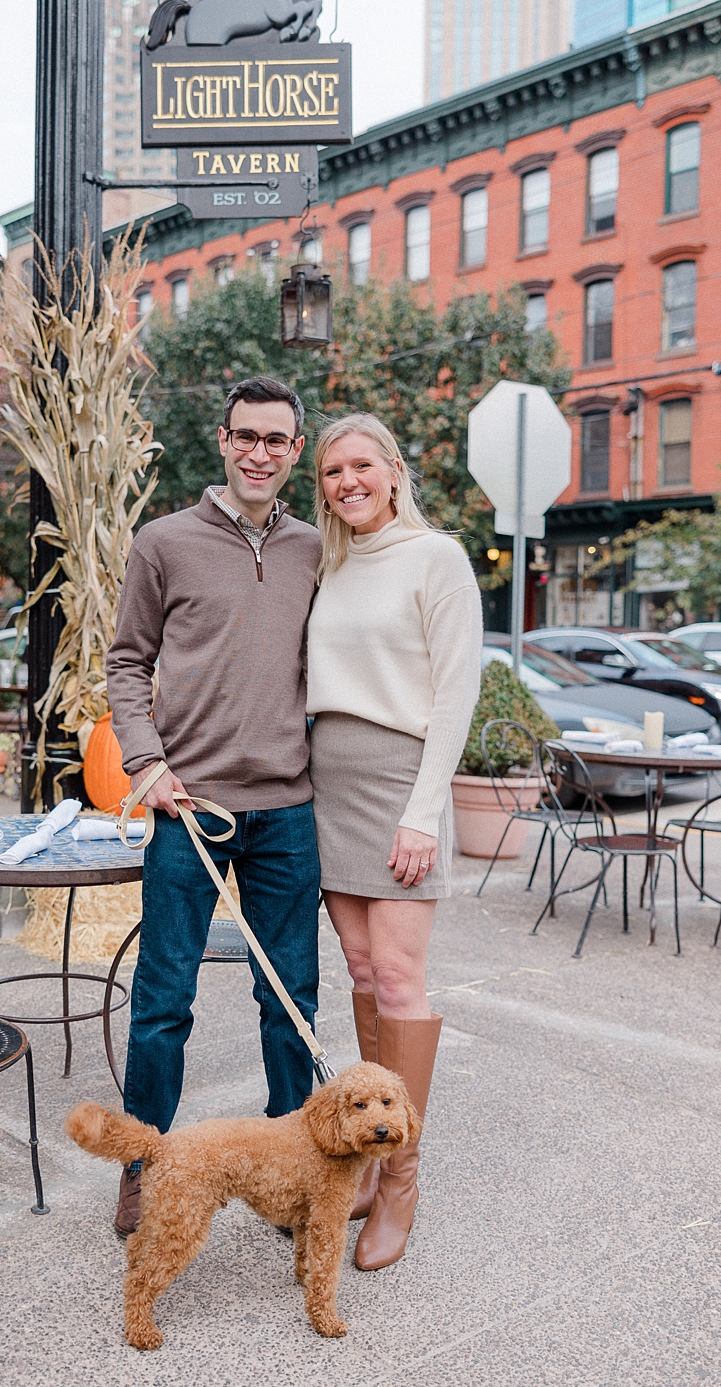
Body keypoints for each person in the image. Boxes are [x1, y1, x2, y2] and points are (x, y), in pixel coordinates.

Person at [105, 375, 323, 1238]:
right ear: (223, 440)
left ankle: (292, 1173)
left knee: (292, 1002)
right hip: (187, 808)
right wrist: (146, 762)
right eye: (247, 437)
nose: (260, 453)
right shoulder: (165, 541)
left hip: (289, 811)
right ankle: (140, 1170)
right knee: (163, 1001)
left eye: (277, 440)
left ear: (295, 452)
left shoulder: (316, 547)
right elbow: (127, 662)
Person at [306, 412, 482, 1271]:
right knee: (364, 974)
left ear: (394, 470)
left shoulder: (437, 557)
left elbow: (454, 692)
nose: (348, 481)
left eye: (362, 465)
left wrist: (425, 810)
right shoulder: (329, 561)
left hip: (398, 782)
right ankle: (372, 1160)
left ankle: (403, 1179)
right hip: (327, 783)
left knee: (403, 978)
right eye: (333, 471)